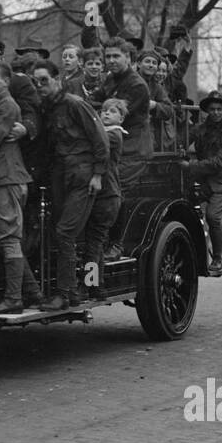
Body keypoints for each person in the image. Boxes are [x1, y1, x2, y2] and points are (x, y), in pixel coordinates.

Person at [30, 60, 110, 310]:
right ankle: (75, 292)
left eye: (44, 80)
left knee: (65, 232)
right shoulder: (47, 109)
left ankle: (64, 294)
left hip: (82, 175)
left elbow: (101, 140)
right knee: (61, 233)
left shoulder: (75, 104)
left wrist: (97, 175)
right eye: (35, 82)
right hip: (61, 174)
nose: (40, 86)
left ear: (57, 79)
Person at [0, 62, 40, 314]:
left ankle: (14, 299)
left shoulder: (6, 106)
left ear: (6, 82)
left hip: (6, 179)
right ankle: (33, 293)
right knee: (6, 240)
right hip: (2, 178)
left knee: (8, 240)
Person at [89, 37, 153, 258]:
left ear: (128, 57)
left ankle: (116, 243)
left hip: (132, 149)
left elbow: (115, 112)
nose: (111, 60)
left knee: (116, 188)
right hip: (111, 143)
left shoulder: (136, 85)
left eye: (116, 56)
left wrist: (97, 106)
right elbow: (93, 102)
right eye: (108, 56)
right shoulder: (109, 80)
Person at [180, 90, 222, 277]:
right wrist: (180, 151)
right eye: (212, 109)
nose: (216, 113)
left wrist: (190, 165)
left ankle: (217, 259)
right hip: (202, 182)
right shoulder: (199, 130)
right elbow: (183, 141)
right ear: (207, 111)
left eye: (220, 109)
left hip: (221, 182)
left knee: (212, 217)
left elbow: (218, 163)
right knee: (182, 207)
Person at [82, 98, 125, 295]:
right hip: (104, 195)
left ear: (121, 118)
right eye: (104, 110)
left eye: (113, 111)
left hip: (107, 196)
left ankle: (92, 284)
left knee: (95, 241)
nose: (106, 113)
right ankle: (96, 284)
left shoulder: (114, 135)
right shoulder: (107, 132)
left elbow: (97, 142)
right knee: (95, 242)